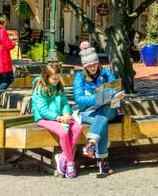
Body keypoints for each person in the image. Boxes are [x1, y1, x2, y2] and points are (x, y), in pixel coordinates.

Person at [72, 45, 124, 177]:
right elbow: (78, 99)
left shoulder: (107, 73)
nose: (93, 68)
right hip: (87, 112)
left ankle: (91, 143)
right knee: (102, 120)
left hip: (109, 109)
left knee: (104, 111)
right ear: (84, 66)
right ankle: (102, 162)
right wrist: (98, 98)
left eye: (95, 64)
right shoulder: (79, 76)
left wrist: (117, 96)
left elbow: (115, 91)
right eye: (89, 66)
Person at [32, 63, 82, 178]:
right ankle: (70, 162)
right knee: (63, 133)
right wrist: (59, 118)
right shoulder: (40, 89)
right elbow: (43, 110)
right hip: (43, 118)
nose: (57, 81)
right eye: (54, 79)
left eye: (59, 78)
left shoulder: (59, 86)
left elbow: (64, 103)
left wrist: (66, 113)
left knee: (78, 128)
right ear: (46, 77)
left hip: (59, 117)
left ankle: (62, 157)